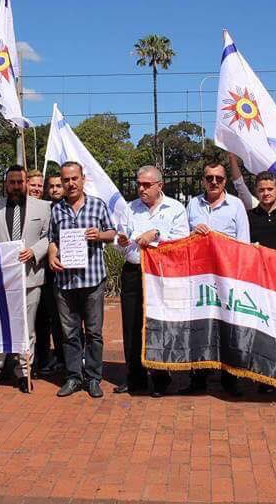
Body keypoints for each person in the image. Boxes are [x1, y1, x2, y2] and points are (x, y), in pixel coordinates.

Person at [115, 165, 189, 397]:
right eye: (139, 184)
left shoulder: (175, 209)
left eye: (146, 185)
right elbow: (118, 240)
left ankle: (160, 377)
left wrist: (156, 235)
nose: (141, 189)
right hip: (133, 272)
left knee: (159, 325)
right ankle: (134, 377)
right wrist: (122, 241)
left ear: (160, 186)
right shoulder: (130, 208)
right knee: (132, 324)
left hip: (161, 275)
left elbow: (181, 242)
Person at [0, 166, 51, 395]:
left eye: (20, 182)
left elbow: (49, 236)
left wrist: (35, 251)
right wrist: (1, 253)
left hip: (30, 276)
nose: (16, 186)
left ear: (26, 183)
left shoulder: (43, 207)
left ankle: (24, 372)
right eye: (12, 182)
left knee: (27, 328)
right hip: (3, 279)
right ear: (5, 184)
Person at [182, 161, 250, 397]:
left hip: (227, 277)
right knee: (200, 326)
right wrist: (192, 233)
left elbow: (244, 243)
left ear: (225, 181)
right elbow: (182, 241)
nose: (213, 182)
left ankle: (230, 378)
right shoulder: (192, 204)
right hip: (199, 278)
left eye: (218, 179)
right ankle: (198, 378)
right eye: (209, 178)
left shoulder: (237, 206)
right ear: (203, 179)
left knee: (227, 326)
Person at [48, 161, 115, 398]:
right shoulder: (56, 210)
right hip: (65, 282)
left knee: (94, 333)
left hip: (93, 279)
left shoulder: (97, 206)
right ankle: (74, 377)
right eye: (66, 180)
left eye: (74, 178)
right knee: (70, 333)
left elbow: (112, 233)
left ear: (82, 179)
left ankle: (94, 377)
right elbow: (52, 239)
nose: (70, 183)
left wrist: (100, 235)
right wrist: (52, 254)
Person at [34, 173, 67, 377]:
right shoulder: (42, 208)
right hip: (40, 271)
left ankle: (65, 358)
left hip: (62, 271)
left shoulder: (67, 208)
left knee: (62, 319)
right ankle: (44, 358)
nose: (55, 189)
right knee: (41, 319)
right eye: (51, 186)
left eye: (58, 185)